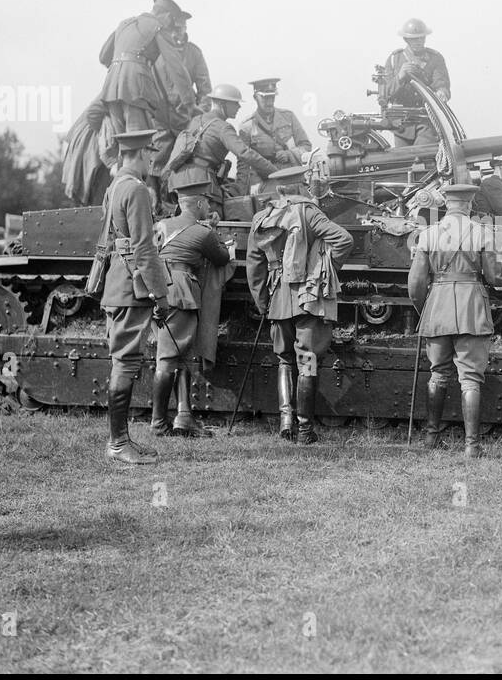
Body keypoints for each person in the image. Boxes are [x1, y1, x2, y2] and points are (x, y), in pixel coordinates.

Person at [245, 171, 353, 444]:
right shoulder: (308, 212)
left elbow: (254, 266)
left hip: (277, 298)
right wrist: (324, 269)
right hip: (309, 297)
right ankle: (305, 429)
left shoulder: (261, 217)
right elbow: (344, 240)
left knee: (284, 359)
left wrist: (262, 302)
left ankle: (285, 422)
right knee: (307, 360)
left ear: (280, 189)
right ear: (300, 186)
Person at [407, 183, 502, 458]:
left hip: (437, 307)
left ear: (447, 204)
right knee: (471, 378)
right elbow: (493, 277)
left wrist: (425, 311)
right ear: (469, 204)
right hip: (471, 309)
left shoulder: (427, 235)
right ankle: (472, 446)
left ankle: (431, 437)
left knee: (438, 373)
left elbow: (415, 285)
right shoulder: (482, 233)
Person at [100, 129, 171, 465]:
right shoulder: (137, 188)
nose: (151, 162)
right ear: (141, 153)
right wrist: (161, 294)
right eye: (150, 155)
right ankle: (117, 444)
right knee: (126, 362)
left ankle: (122, 440)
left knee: (122, 361)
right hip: (132, 288)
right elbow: (144, 246)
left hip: (117, 283)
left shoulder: (115, 186)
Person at [150, 175, 232, 437]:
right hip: (181, 293)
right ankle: (158, 424)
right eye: (206, 202)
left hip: (160, 291)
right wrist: (215, 231)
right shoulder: (203, 232)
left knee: (181, 357)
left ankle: (183, 418)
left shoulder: (162, 225)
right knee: (167, 360)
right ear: (197, 204)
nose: (209, 207)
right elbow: (221, 257)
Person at [98, 0, 185, 183]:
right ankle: (135, 193)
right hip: (135, 87)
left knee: (123, 144)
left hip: (112, 85)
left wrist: (122, 64)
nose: (172, 28)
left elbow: (103, 56)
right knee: (138, 145)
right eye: (173, 23)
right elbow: (176, 67)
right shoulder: (158, 27)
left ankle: (120, 192)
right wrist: (190, 103)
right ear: (168, 17)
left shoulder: (125, 23)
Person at [165, 83, 278, 214]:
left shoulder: (197, 120)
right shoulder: (223, 127)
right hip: (202, 185)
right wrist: (274, 171)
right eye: (235, 103)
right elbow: (244, 153)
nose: (239, 106)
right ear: (222, 104)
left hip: (177, 182)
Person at [235, 78, 313, 194]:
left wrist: (289, 154)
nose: (269, 102)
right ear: (255, 97)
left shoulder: (288, 117)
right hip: (267, 184)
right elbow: (244, 165)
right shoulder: (246, 127)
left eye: (272, 97)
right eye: (265, 98)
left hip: (293, 178)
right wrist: (243, 193)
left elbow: (306, 146)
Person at [382, 18, 451, 147]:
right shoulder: (394, 59)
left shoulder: (435, 58)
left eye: (421, 38)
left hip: (426, 120)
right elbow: (385, 93)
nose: (419, 41)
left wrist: (442, 92)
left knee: (422, 157)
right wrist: (400, 76)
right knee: (402, 161)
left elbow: (441, 83)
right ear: (406, 39)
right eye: (414, 38)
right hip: (400, 125)